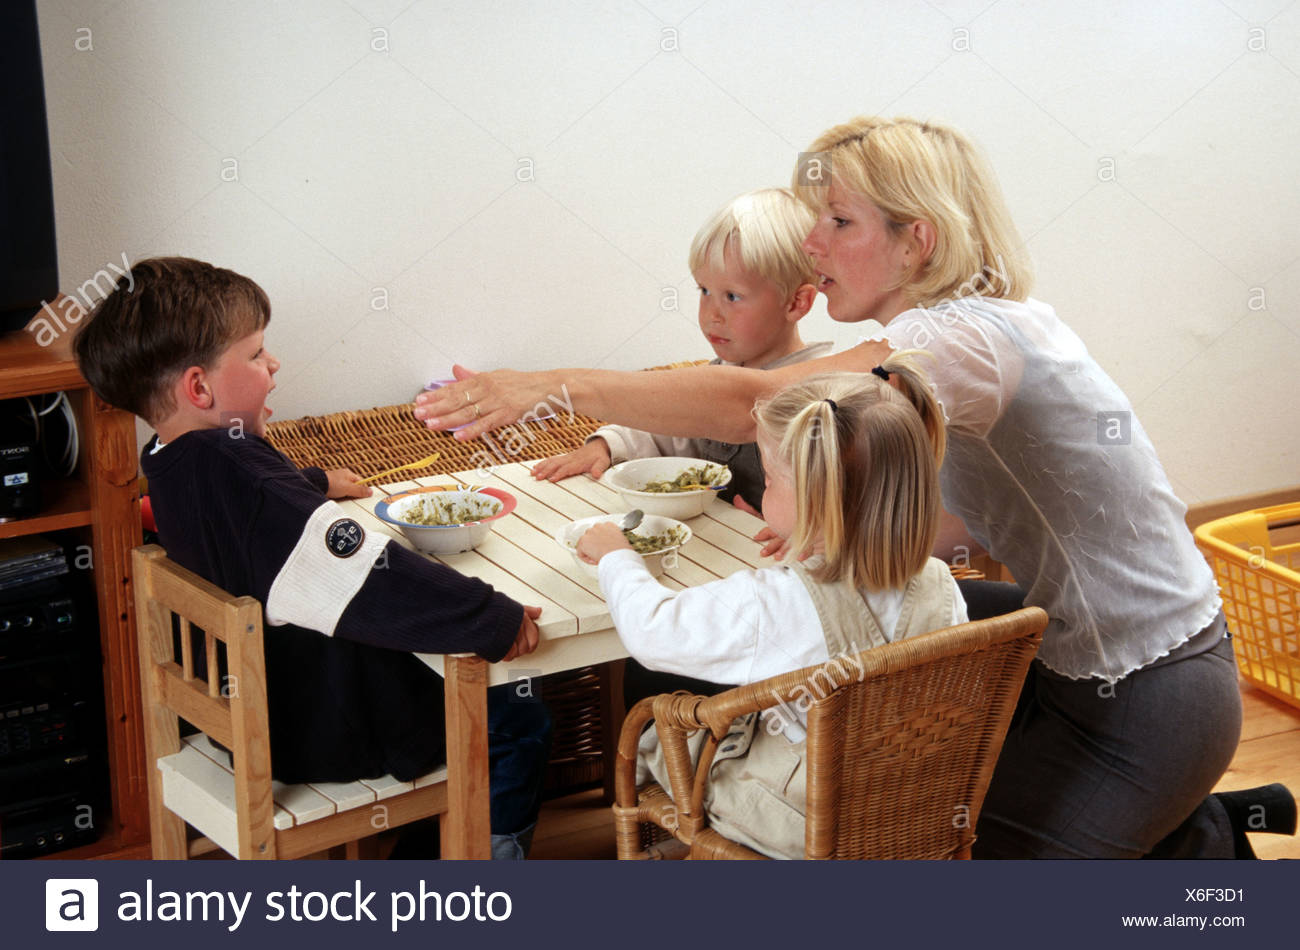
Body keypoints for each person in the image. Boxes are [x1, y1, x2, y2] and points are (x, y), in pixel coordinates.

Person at [413, 116, 1296, 859]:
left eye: (838, 220)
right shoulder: (958, 339)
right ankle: (1197, 823)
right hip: (1062, 645)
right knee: (899, 756)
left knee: (937, 860)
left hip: (1143, 691)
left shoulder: (963, 341)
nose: (811, 241)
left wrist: (552, 384)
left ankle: (1202, 838)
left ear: (921, 239)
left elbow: (766, 401)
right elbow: (946, 519)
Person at [75, 257, 550, 859]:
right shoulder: (250, 480)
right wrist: (491, 618)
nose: (273, 364)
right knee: (516, 712)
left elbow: (245, 513)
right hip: (326, 724)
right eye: (255, 354)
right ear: (199, 387)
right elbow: (372, 578)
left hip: (261, 710)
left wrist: (312, 481)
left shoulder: (170, 460)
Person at [576, 364, 967, 859]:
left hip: (800, 824)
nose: (764, 489)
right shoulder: (941, 583)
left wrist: (617, 556)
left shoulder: (779, 601)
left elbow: (652, 632)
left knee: (656, 738)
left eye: (772, 479)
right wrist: (807, 534)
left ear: (814, 498)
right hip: (909, 811)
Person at [533, 187, 831, 512]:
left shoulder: (824, 396)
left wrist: (795, 526)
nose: (711, 314)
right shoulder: (721, 373)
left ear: (796, 302)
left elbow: (843, 501)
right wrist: (607, 445)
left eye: (732, 296)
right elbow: (666, 427)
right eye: (704, 290)